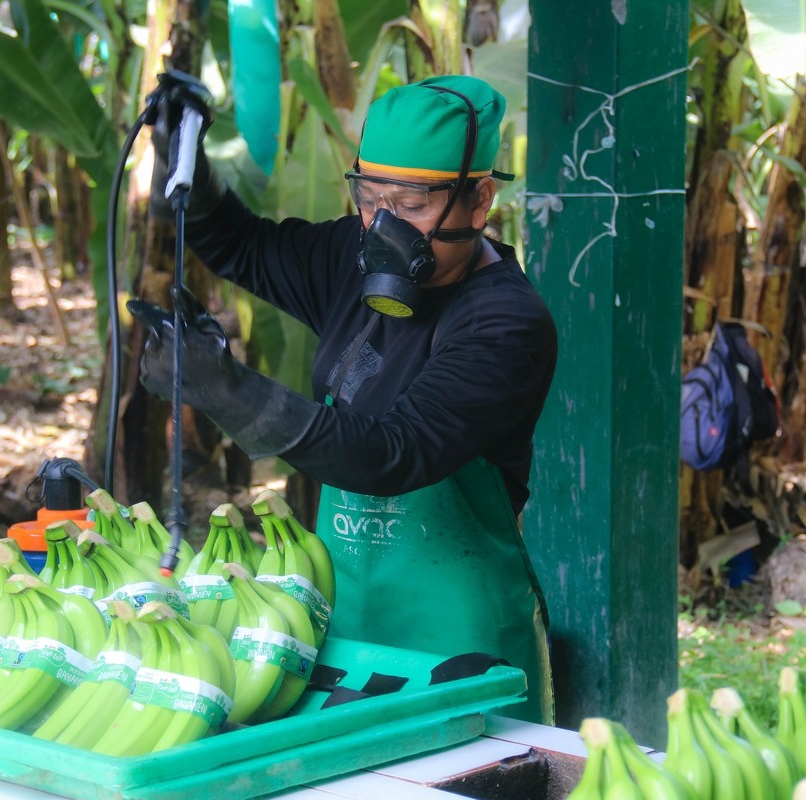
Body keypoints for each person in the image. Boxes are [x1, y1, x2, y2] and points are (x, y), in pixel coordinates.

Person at [129, 72, 557, 725]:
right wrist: (181, 153)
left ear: (479, 201)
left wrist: (230, 390)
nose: (383, 226)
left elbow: (393, 455)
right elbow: (241, 247)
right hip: (346, 617)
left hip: (462, 639)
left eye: (412, 204)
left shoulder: (505, 324)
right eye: (370, 196)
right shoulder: (349, 258)